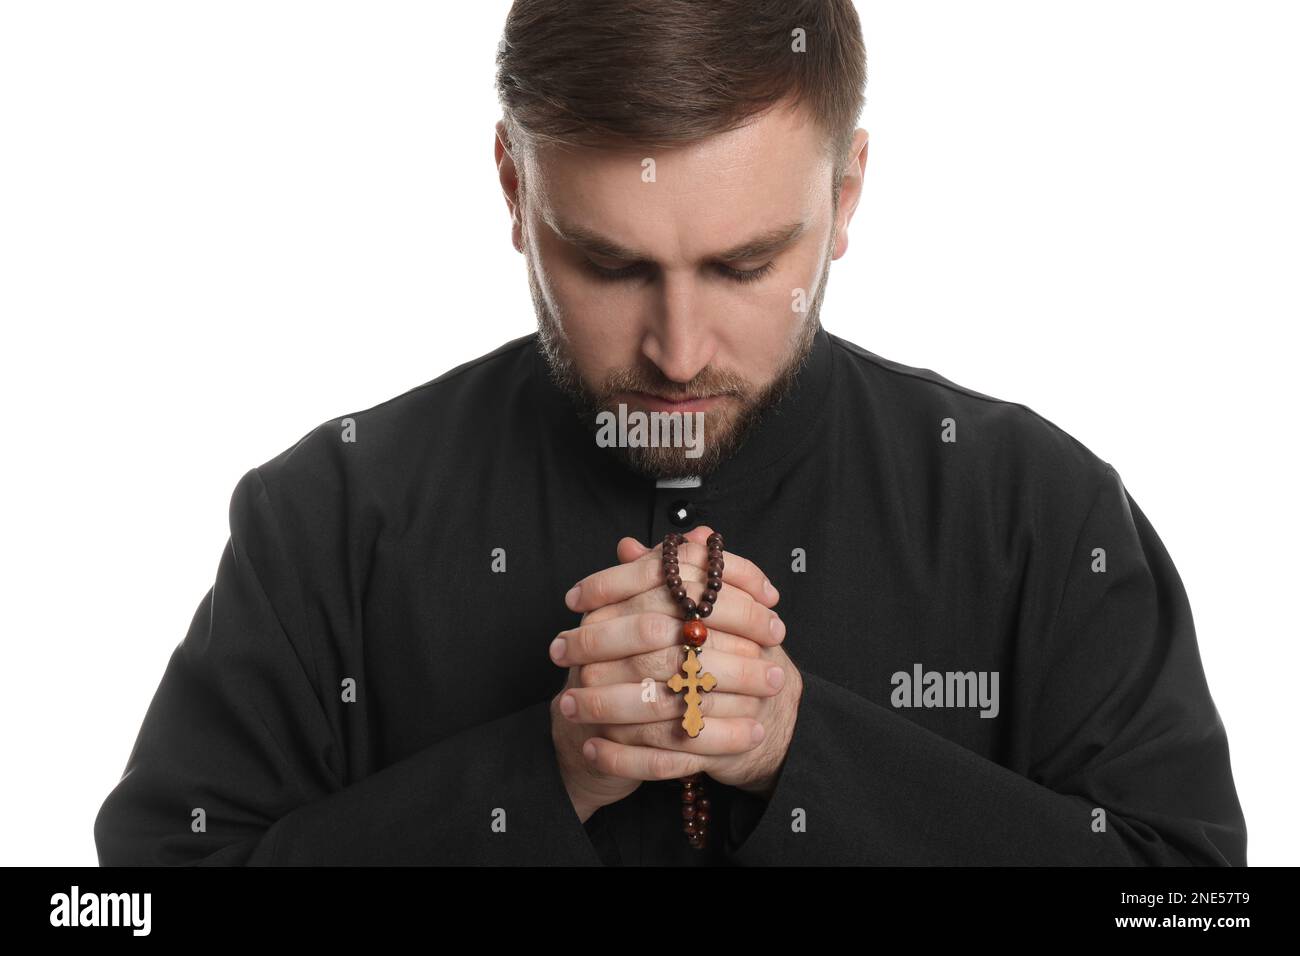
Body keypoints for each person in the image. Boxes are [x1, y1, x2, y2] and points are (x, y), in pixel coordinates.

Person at [94, 0, 1246, 866]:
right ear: (511, 186)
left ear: (845, 194)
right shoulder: (329, 515)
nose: (679, 350)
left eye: (746, 264)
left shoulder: (1038, 512)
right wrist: (535, 774)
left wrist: (812, 754)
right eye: (608, 262)